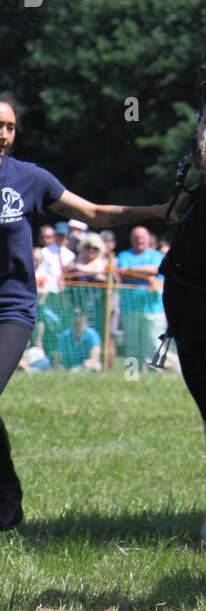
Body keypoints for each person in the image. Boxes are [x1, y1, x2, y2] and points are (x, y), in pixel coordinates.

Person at [0, 93, 170, 529]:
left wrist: (153, 211)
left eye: (10, 127)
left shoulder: (28, 179)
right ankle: (7, 497)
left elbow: (92, 212)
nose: (3, 135)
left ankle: (5, 499)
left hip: (11, 310)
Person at [116, 226, 165, 370]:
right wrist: (146, 274)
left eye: (142, 237)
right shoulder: (124, 255)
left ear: (148, 239)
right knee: (132, 345)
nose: (139, 241)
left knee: (153, 343)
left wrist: (130, 271)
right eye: (136, 238)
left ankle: (156, 375)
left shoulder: (156, 255)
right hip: (129, 308)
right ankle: (132, 375)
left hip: (152, 309)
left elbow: (155, 269)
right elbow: (121, 272)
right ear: (131, 240)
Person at [56, 306, 102, 371]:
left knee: (96, 367)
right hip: (68, 367)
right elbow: (57, 359)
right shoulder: (64, 336)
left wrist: (78, 368)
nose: (78, 321)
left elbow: (94, 359)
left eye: (81, 321)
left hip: (86, 366)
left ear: (85, 321)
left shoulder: (92, 335)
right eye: (76, 323)